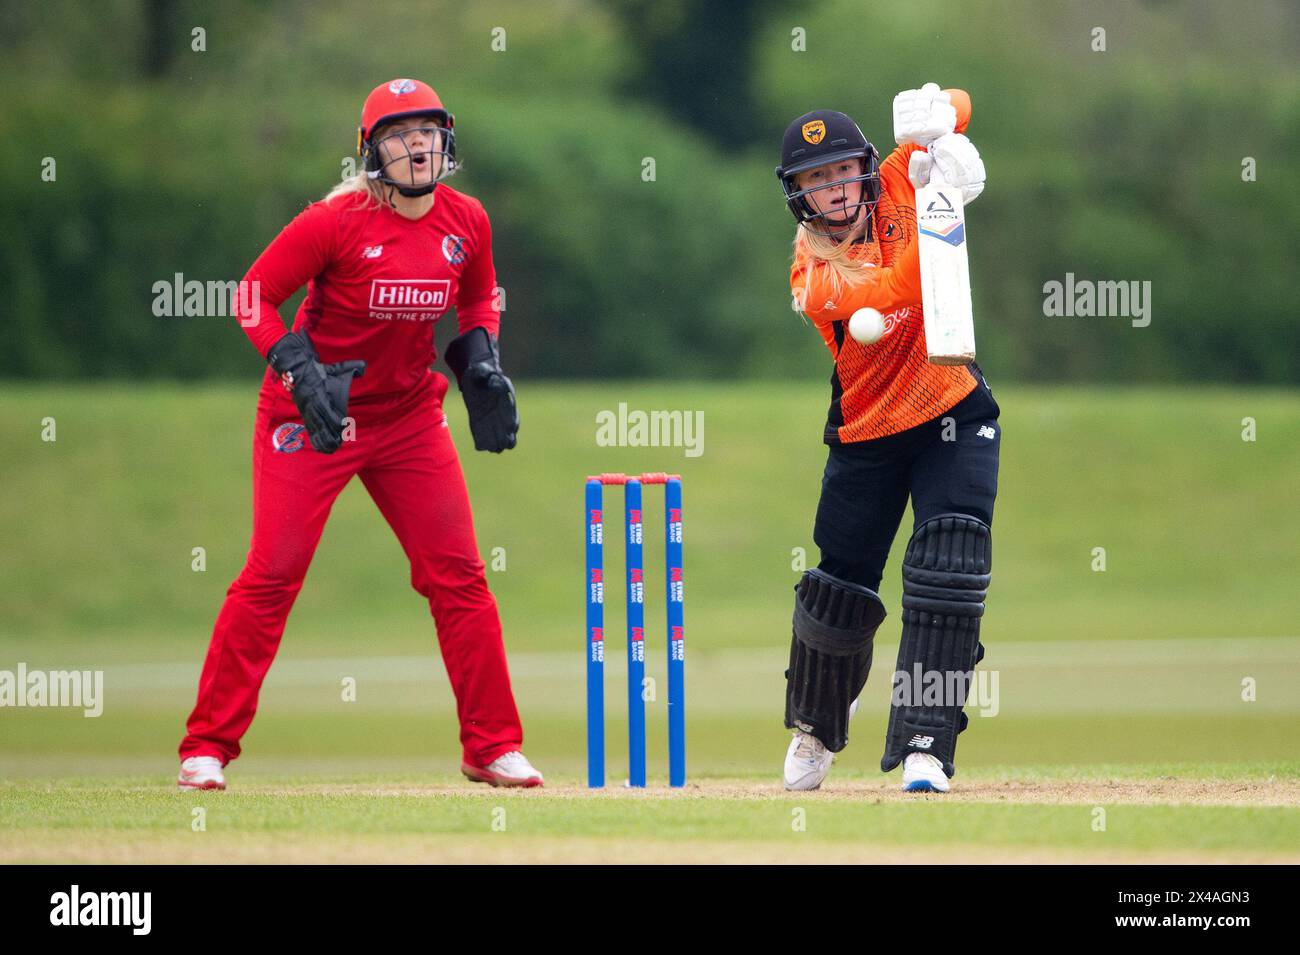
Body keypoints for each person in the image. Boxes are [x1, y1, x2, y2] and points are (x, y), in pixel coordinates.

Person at [177, 78, 541, 790]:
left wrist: (481, 359)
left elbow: (476, 295)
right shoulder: (334, 220)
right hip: (312, 415)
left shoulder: (467, 220)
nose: (417, 145)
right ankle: (206, 747)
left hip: (407, 419)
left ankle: (492, 746)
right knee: (273, 573)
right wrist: (293, 365)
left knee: (460, 578)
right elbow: (252, 294)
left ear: (447, 142)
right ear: (371, 150)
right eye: (400, 134)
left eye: (428, 132)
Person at [774, 83, 999, 793]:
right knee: (840, 586)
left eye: (842, 171)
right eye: (816, 180)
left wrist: (942, 127)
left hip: (954, 406)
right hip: (868, 428)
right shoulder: (812, 274)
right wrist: (947, 210)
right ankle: (816, 728)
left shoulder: (904, 175)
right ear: (798, 195)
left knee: (949, 566)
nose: (834, 189)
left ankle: (926, 743)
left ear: (865, 166)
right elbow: (899, 290)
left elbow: (960, 106)